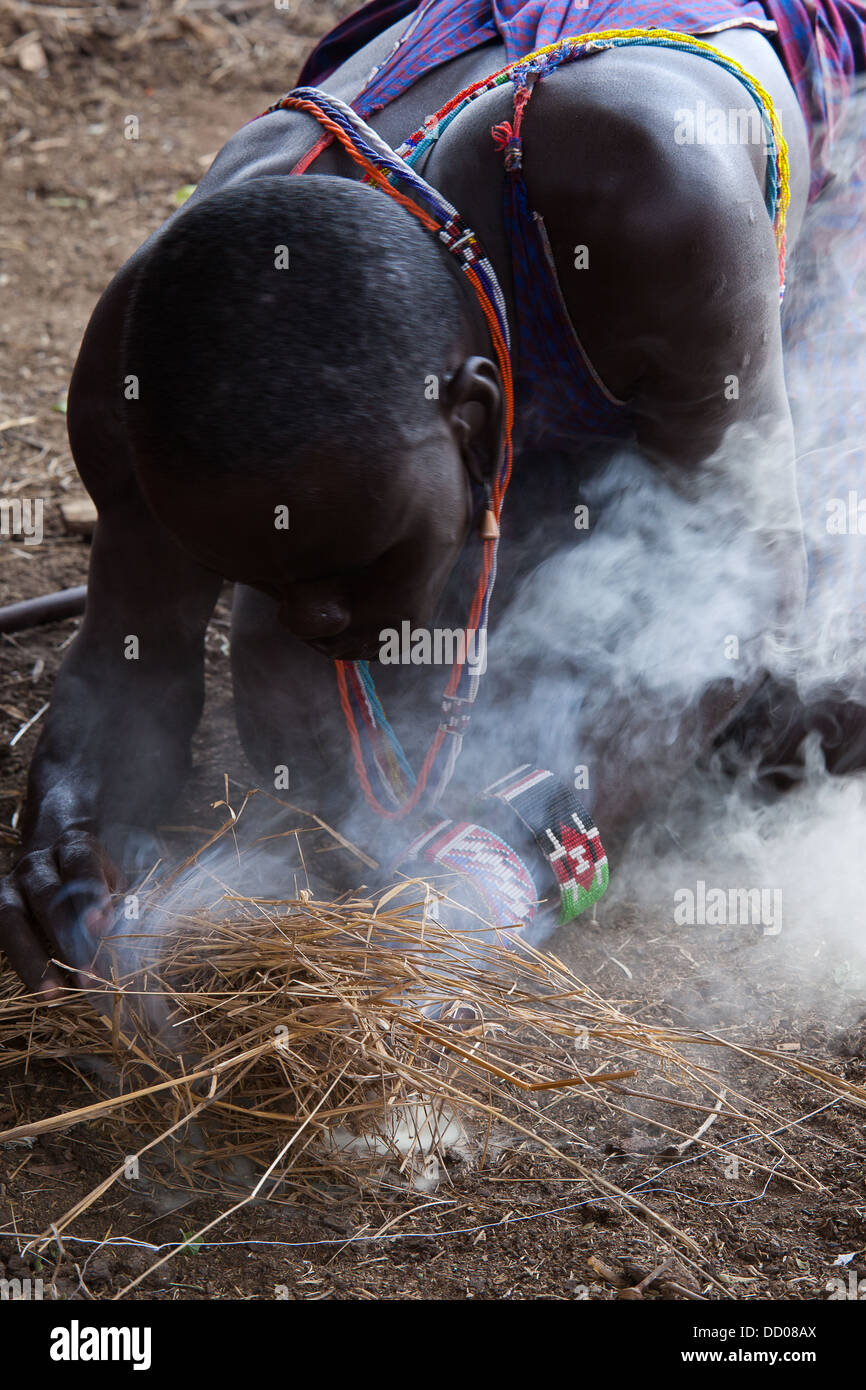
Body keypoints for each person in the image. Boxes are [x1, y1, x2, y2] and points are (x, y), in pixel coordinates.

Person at [2, 0, 864, 993]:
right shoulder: (145, 367)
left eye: (345, 563)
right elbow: (130, 654)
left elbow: (749, 573)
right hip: (530, 325)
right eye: (259, 573)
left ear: (475, 414)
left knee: (811, 710)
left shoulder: (657, 206)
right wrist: (81, 832)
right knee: (327, 753)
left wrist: (509, 854)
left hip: (744, 244)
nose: (312, 615)